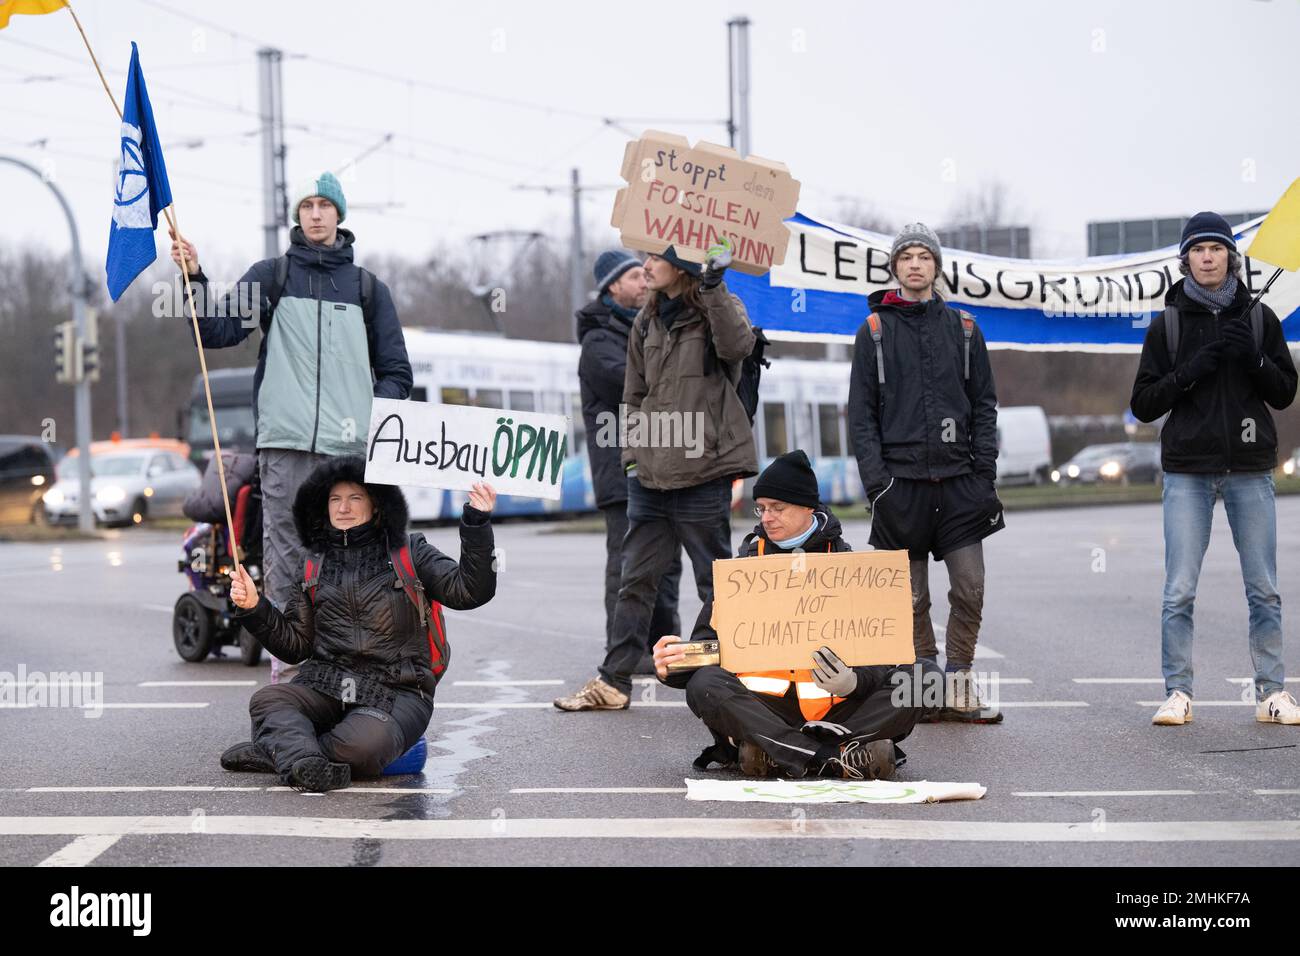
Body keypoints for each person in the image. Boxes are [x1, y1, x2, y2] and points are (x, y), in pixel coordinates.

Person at [169, 171, 413, 684]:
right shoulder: (272, 276)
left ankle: (350, 668)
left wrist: (374, 414)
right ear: (297, 215)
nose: (317, 213)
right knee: (286, 559)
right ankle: (290, 678)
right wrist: (194, 275)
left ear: (340, 215)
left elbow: (397, 374)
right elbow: (215, 330)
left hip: (349, 450)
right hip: (283, 445)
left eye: (326, 205)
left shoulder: (369, 289)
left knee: (351, 559)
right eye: (308, 205)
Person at [554, 242, 757, 711]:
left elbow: (738, 345)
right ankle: (613, 682)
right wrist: (632, 459)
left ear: (680, 266)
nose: (645, 267)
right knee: (636, 580)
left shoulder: (714, 309)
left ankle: (727, 676)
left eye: (654, 259)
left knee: (715, 583)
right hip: (649, 476)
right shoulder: (645, 320)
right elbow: (634, 395)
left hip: (703, 471)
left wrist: (713, 285)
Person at [655, 450, 940, 779]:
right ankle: (836, 756)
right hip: (765, 711)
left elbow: (882, 654)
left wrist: (854, 681)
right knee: (704, 683)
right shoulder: (743, 571)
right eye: (761, 508)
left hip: (843, 708)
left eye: (778, 508)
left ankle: (782, 753)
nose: (766, 517)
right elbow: (709, 647)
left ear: (809, 508)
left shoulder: (849, 567)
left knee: (926, 676)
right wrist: (672, 665)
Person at [219, 455, 498, 791]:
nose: (344, 508)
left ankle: (284, 752)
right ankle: (301, 758)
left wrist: (477, 522)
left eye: (355, 498)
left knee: (363, 745)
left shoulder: (410, 551)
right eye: (335, 499)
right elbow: (295, 647)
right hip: (327, 684)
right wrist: (255, 607)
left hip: (399, 692)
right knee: (268, 701)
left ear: (376, 505)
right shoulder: (311, 564)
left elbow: (471, 591)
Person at [1130, 211, 1299, 726]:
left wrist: (1255, 359)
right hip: (1187, 470)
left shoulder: (1260, 320)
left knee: (1263, 587)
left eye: (1217, 249)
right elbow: (1143, 404)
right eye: (1199, 250)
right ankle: (1178, 692)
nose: (1208, 257)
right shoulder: (1169, 325)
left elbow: (1284, 393)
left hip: (1250, 468)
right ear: (1186, 260)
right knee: (1179, 588)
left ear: (1231, 257)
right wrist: (1190, 371)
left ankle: (1272, 693)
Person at [847, 222, 1004, 722]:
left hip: (960, 486)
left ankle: (959, 680)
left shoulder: (964, 329)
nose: (916, 264)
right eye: (907, 256)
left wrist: (983, 478)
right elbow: (861, 416)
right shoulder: (873, 331)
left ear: (937, 267)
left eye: (924, 256)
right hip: (901, 485)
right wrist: (878, 485)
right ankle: (925, 682)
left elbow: (984, 407)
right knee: (910, 597)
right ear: (894, 267)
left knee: (969, 587)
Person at [577, 249, 683, 670]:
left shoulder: (645, 327)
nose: (644, 282)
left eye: (646, 275)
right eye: (635, 276)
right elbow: (638, 388)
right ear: (612, 286)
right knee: (627, 564)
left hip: (661, 464)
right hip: (622, 471)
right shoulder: (599, 340)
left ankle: (664, 648)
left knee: (667, 565)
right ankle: (624, 649)